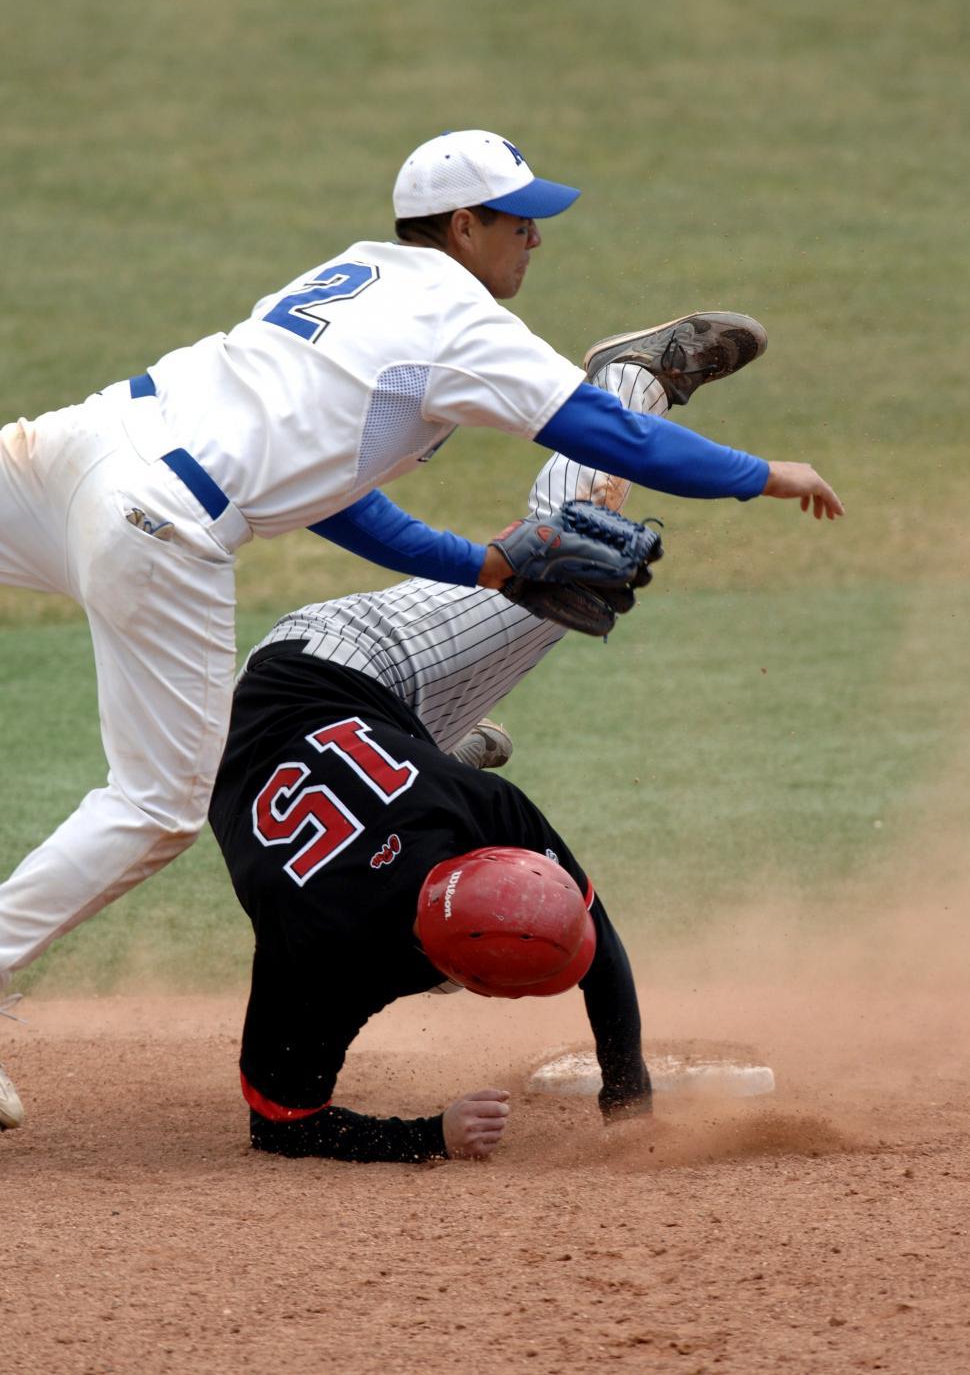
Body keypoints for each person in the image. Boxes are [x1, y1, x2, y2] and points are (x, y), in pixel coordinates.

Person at [0, 126, 842, 1121]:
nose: (535, 239)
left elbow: (324, 490)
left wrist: (479, 564)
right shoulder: (455, 315)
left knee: (163, 787)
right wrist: (761, 476)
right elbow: (600, 431)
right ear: (462, 223)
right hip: (158, 523)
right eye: (518, 221)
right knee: (156, 804)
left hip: (76, 450)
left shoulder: (355, 275)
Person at [202, 319, 773, 1161]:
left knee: (561, 575)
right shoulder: (326, 954)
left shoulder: (458, 824)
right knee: (561, 575)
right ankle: (629, 383)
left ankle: (627, 385)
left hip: (331, 686)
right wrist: (426, 1135)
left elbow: (594, 932)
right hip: (345, 715)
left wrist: (629, 1099)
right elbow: (277, 1126)